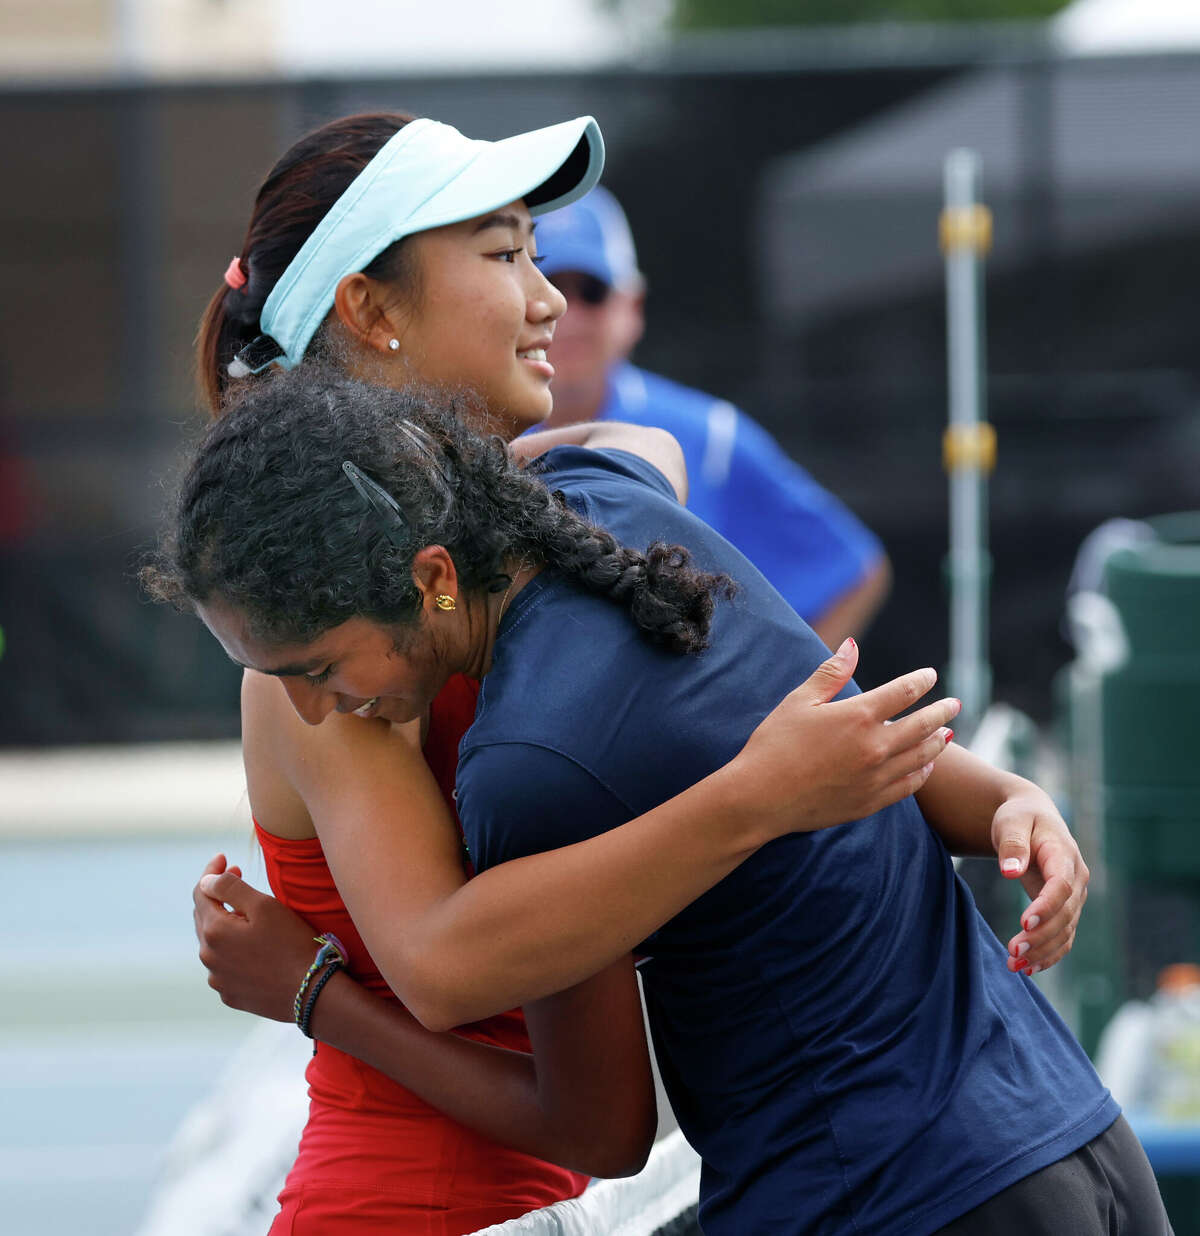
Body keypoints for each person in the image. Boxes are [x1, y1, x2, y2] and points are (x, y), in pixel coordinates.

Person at [184, 109, 973, 1233]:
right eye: (505, 256)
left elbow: (639, 470)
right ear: (367, 307)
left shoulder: (527, 543)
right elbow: (455, 974)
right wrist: (316, 998)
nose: (548, 301)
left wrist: (988, 800)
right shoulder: (332, 658)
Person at [151, 368, 1168, 1236]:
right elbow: (635, 438)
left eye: (313, 665)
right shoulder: (614, 497)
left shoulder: (526, 771)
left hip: (893, 1197)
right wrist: (1002, 795)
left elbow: (465, 993)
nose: (309, 711)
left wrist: (308, 992)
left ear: (431, 577)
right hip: (1075, 1138)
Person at [534, 185, 890, 648]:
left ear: (633, 307)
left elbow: (853, 570)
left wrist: (781, 703)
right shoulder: (478, 433)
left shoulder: (714, 438)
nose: (570, 313)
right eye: (551, 287)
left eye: (593, 291)